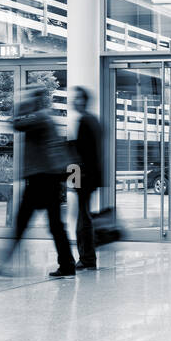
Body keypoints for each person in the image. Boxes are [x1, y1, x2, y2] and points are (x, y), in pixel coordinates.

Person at [0, 86, 75, 279]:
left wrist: (21, 106)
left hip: (41, 179)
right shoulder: (45, 117)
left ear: (36, 101)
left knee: (25, 223)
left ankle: (2, 262)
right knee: (53, 225)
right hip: (45, 178)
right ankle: (67, 264)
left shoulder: (40, 117)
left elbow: (16, 124)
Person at [69, 86, 103, 271]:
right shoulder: (94, 120)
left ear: (84, 100)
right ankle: (87, 257)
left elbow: (80, 154)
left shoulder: (84, 121)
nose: (74, 101)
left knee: (83, 218)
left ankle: (87, 257)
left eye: (77, 98)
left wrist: (74, 177)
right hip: (91, 177)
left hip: (84, 176)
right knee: (84, 216)